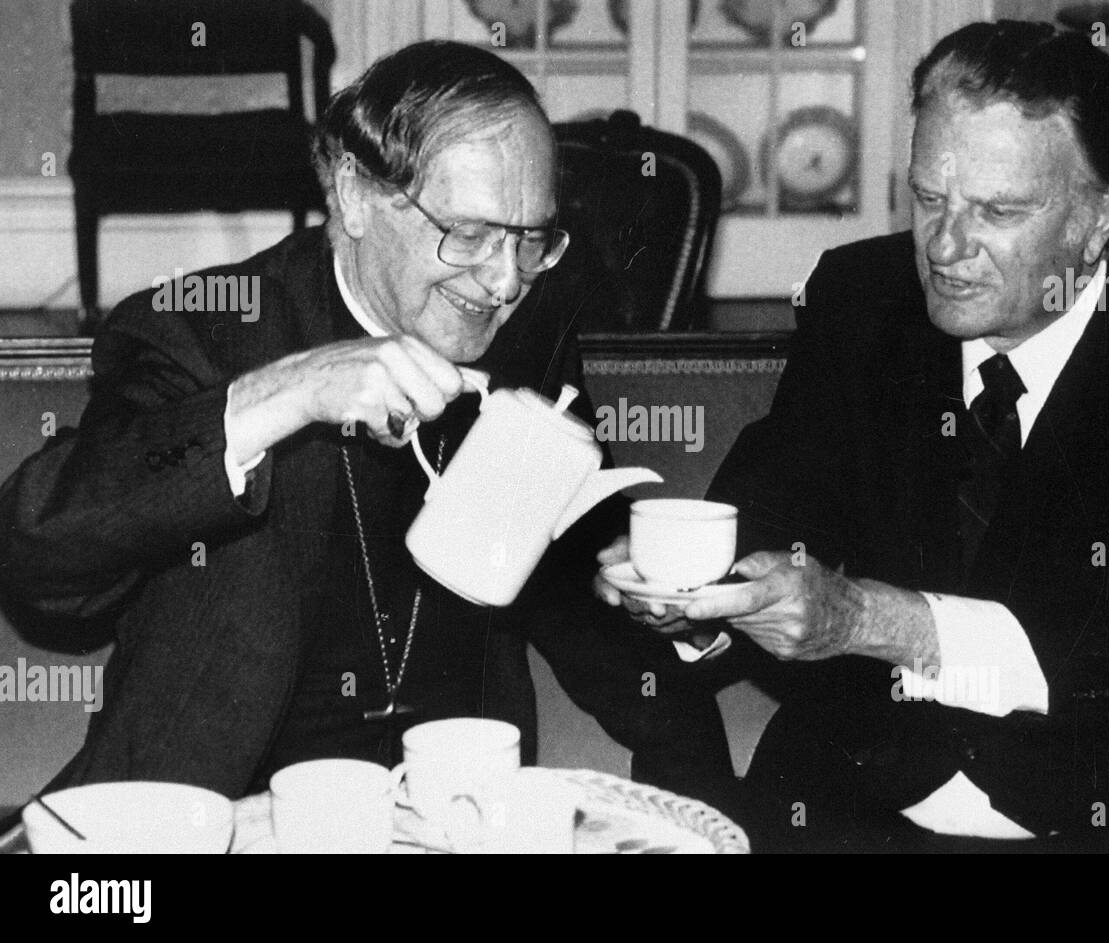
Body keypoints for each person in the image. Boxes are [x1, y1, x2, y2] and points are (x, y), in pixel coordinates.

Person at [597, 20, 1109, 852]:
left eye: (999, 210)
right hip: (854, 800)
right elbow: (775, 499)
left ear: (1101, 219)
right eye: (930, 198)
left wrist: (866, 620)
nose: (948, 246)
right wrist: (695, 600)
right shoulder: (861, 300)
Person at [0, 40, 730, 799]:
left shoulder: (530, 333)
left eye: (531, 239)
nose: (506, 279)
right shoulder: (201, 331)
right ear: (355, 194)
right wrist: (280, 397)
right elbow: (41, 555)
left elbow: (579, 580)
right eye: (471, 234)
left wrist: (670, 620)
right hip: (219, 818)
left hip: (454, 812)